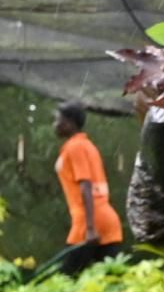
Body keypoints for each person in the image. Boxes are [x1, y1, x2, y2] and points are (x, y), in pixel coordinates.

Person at [41, 101, 127, 277]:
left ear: (70, 123)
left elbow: (86, 185)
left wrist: (89, 228)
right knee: (110, 279)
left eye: (58, 120)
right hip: (106, 220)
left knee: (66, 278)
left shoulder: (76, 147)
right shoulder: (87, 145)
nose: (55, 125)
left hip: (89, 221)